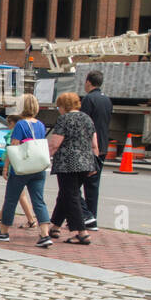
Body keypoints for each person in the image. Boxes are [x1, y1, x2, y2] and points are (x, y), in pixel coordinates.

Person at [0, 94, 52, 247]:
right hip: (38, 167)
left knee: (11, 199)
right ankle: (44, 234)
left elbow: (14, 147)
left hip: (22, 168)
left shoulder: (20, 125)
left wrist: (6, 166)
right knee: (38, 200)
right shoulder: (40, 125)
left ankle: (3, 231)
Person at [46, 91, 98, 245]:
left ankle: (82, 232)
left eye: (59, 107)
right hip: (86, 162)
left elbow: (55, 143)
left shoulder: (64, 119)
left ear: (63, 106)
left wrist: (46, 158)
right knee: (66, 194)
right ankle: (55, 226)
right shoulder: (87, 119)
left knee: (72, 196)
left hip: (67, 163)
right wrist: (94, 163)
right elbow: (95, 144)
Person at [79, 70, 112, 230]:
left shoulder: (88, 99)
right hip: (103, 145)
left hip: (90, 147)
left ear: (88, 82)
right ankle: (91, 217)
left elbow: (84, 125)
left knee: (73, 186)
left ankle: (87, 217)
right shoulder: (107, 100)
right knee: (93, 185)